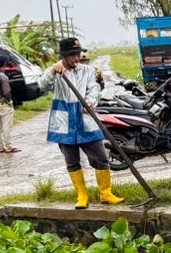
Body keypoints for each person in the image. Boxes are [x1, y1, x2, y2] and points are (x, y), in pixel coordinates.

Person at [39, 35, 122, 209]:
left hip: (85, 118)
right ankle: (82, 196)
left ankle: (106, 193)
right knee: (72, 161)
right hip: (64, 122)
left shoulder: (87, 71)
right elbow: (41, 85)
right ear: (64, 55)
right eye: (73, 55)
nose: (77, 58)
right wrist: (52, 71)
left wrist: (90, 102)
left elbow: (94, 89)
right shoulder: (55, 71)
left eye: (78, 54)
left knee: (100, 157)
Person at [0, 64, 21, 154]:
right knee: (6, 126)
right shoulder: (3, 77)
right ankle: (8, 147)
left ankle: (0, 147)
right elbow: (6, 92)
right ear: (3, 64)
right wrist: (10, 102)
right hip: (4, 105)